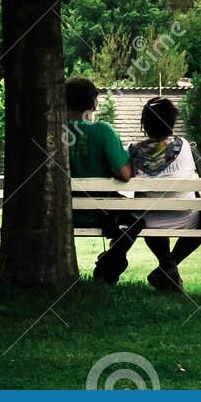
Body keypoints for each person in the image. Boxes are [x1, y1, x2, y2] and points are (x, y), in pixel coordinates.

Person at [65, 77, 142, 284]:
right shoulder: (103, 131)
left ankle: (109, 262)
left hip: (60, 214)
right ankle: (108, 264)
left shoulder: (53, 132)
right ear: (94, 103)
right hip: (100, 213)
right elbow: (125, 174)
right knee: (137, 219)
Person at [130, 96, 201, 293]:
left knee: (151, 208)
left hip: (148, 220)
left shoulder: (134, 150)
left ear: (145, 124)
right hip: (186, 218)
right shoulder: (185, 145)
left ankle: (166, 265)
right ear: (172, 121)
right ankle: (168, 267)